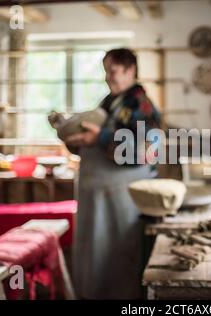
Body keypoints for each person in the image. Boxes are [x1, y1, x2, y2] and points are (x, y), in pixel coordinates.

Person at [64, 48, 161, 299]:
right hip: (101, 200)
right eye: (105, 71)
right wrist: (76, 138)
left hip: (124, 201)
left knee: (119, 256)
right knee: (98, 253)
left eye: (113, 71)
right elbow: (95, 141)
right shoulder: (109, 101)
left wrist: (101, 137)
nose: (108, 77)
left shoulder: (141, 103)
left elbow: (145, 150)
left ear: (131, 70)